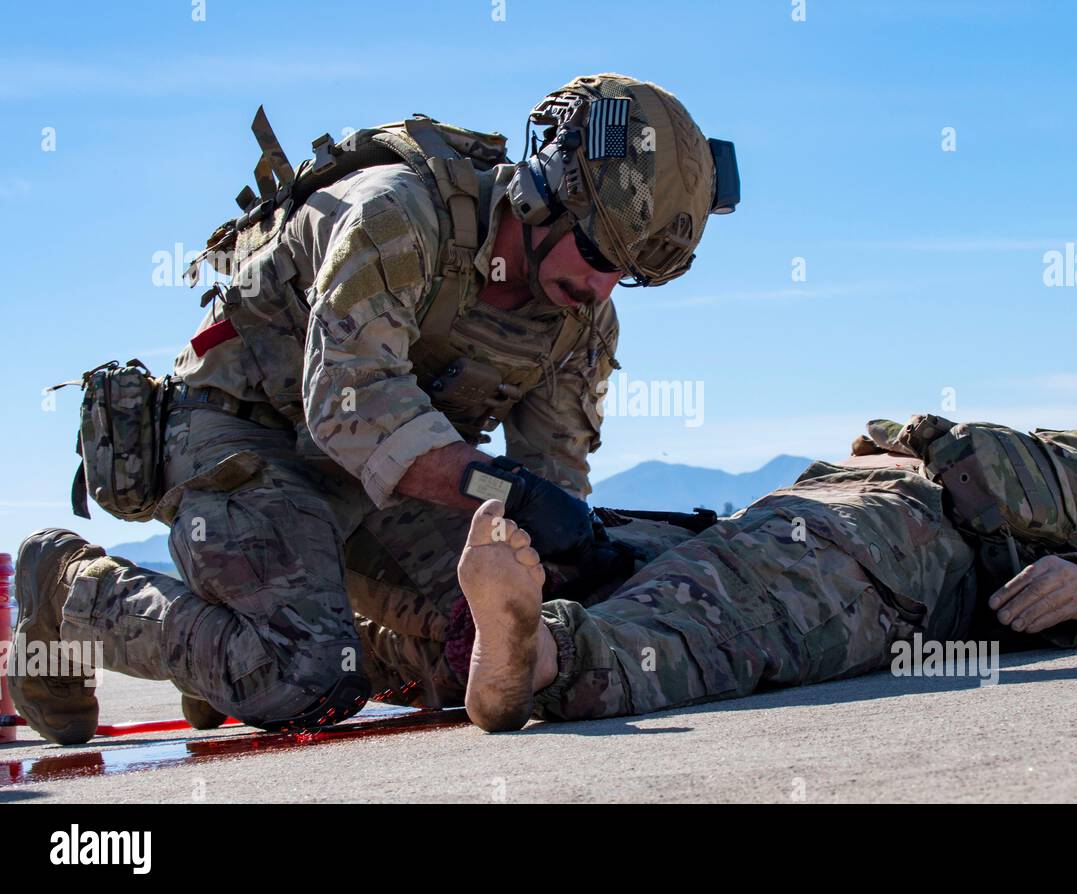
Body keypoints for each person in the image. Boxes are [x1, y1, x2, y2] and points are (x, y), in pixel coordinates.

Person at [8, 73, 734, 744]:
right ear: (547, 193)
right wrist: (510, 491)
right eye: (597, 252)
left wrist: (564, 543)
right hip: (248, 438)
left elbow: (550, 481)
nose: (602, 286)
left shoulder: (580, 322)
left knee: (493, 645)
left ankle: (230, 640)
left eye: (628, 274)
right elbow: (351, 407)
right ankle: (69, 587)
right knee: (305, 675)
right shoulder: (397, 214)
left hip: (394, 481)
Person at [440, 416, 1077, 730]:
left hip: (905, 538)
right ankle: (535, 630)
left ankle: (535, 661)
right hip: (867, 512)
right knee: (700, 579)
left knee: (738, 605)